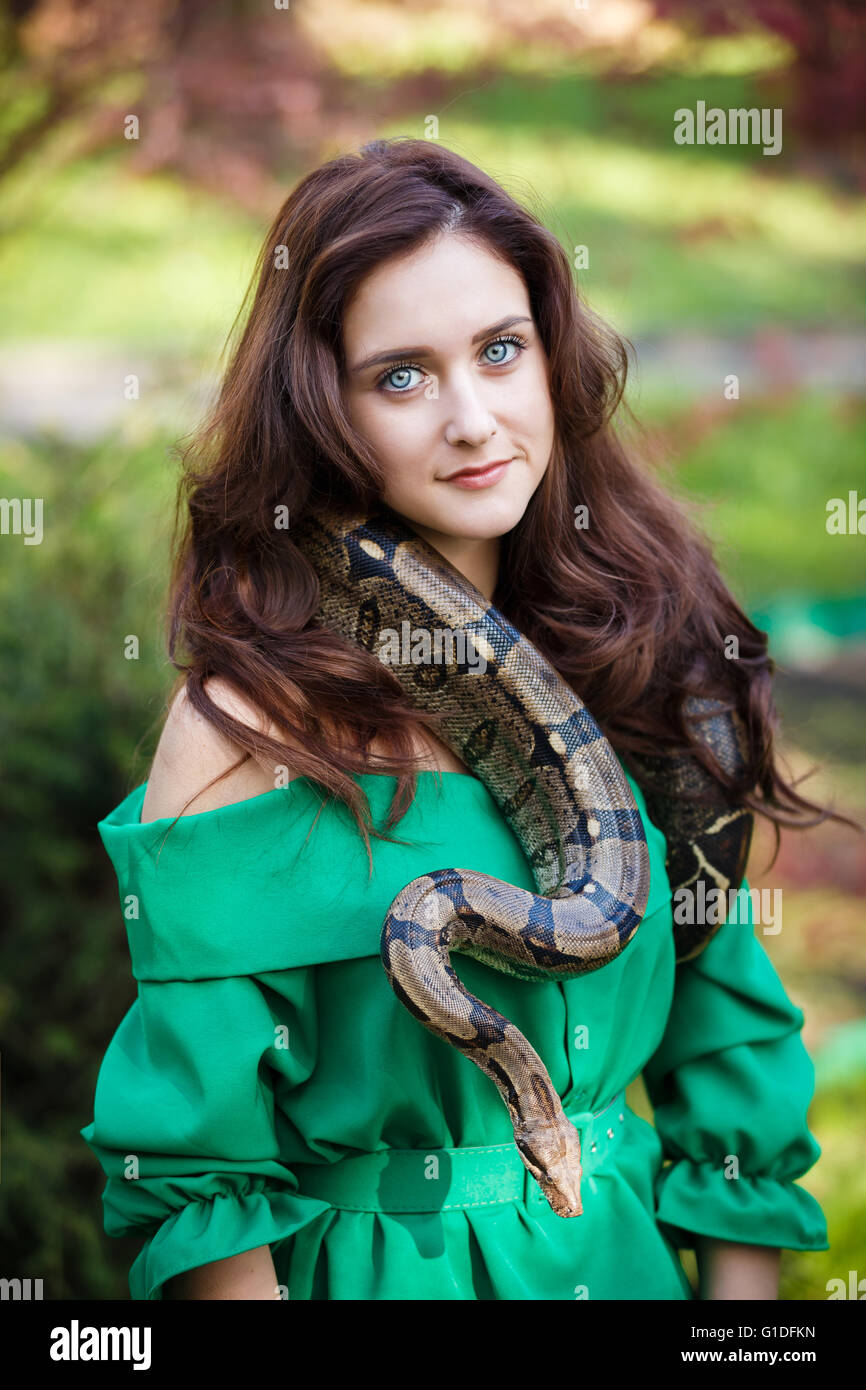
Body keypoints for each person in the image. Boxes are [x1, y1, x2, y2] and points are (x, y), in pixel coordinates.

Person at [80, 137, 841, 1301]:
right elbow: (202, 1171)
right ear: (319, 409)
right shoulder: (246, 728)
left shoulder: (649, 660)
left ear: (552, 360)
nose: (474, 419)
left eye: (499, 350)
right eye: (400, 376)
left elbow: (725, 1050)